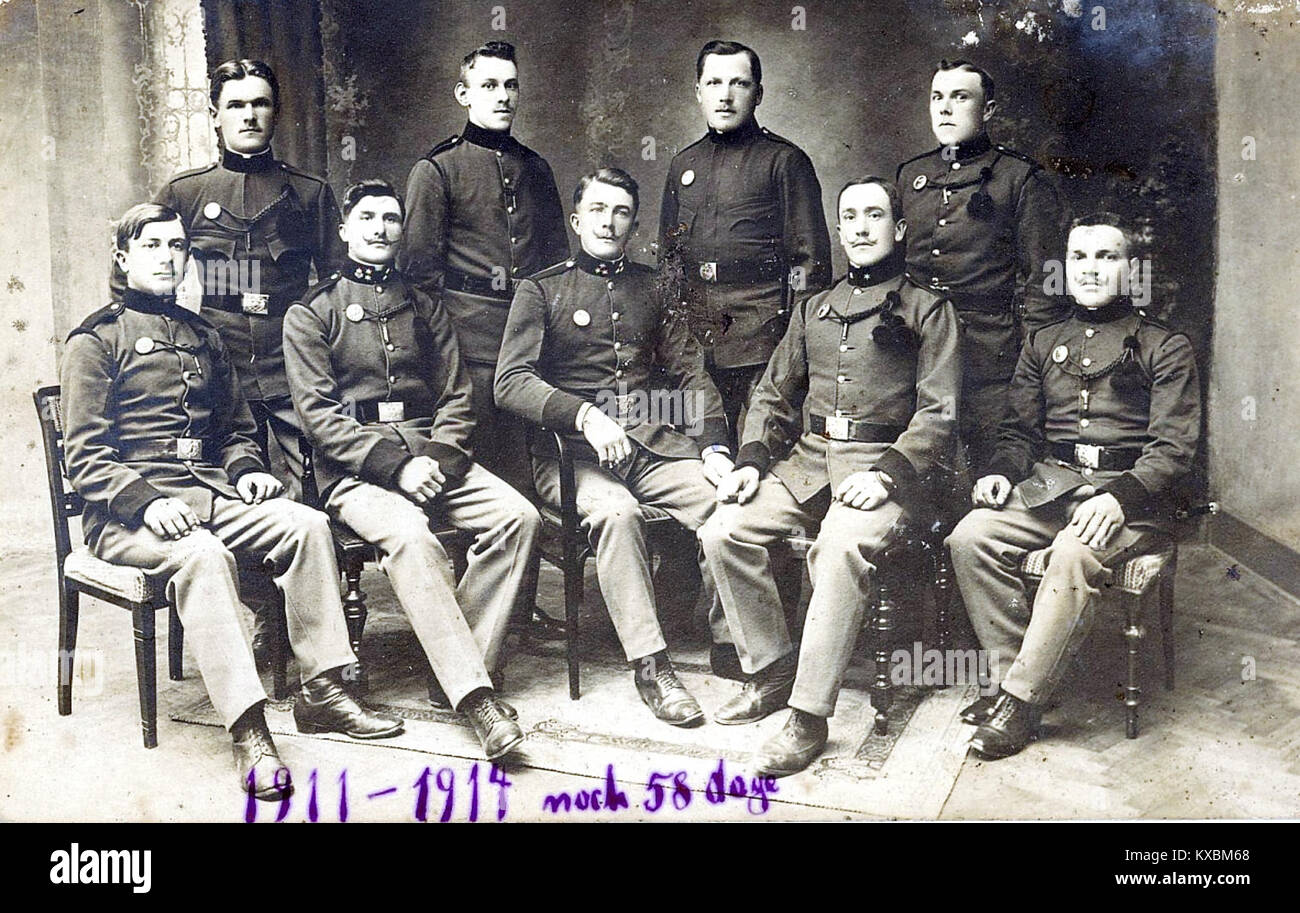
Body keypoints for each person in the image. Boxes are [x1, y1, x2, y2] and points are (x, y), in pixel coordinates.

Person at [64, 204, 402, 801]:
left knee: (305, 524)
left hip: (210, 493)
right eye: (152, 246)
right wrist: (144, 502)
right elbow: (86, 458)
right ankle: (249, 729)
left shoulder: (204, 338)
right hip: (124, 517)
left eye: (177, 246)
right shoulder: (96, 341)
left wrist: (246, 471)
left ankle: (323, 689)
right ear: (123, 258)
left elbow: (236, 431)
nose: (168, 257)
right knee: (202, 557)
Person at [699, 177, 960, 777]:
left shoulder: (929, 310)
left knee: (840, 545)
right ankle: (770, 670)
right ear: (838, 231)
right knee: (724, 528)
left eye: (876, 215)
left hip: (888, 468)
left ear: (898, 230)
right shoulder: (814, 308)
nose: (862, 227)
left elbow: (939, 411)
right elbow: (771, 394)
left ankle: (808, 715)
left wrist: (889, 475)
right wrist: (750, 464)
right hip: (811, 462)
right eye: (851, 217)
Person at [283, 180, 538, 762]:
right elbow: (318, 416)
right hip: (357, 471)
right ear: (345, 229)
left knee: (519, 518)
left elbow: (458, 395)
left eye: (391, 219)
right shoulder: (312, 311)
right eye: (367, 217)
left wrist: (439, 459)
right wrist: (396, 468)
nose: (380, 228)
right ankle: (476, 698)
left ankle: (449, 659)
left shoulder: (425, 305)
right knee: (412, 537)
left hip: (433, 456)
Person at [946, 212, 1202, 760]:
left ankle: (1019, 703)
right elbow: (1018, 430)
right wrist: (1000, 472)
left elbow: (1174, 449)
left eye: (1106, 257)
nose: (1089, 269)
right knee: (970, 537)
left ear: (1132, 270)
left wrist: (1120, 497)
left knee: (1071, 553)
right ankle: (1019, 672)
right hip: (1053, 487)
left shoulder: (1165, 346)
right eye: (1079, 257)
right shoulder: (1044, 341)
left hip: (1132, 498)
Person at [495, 168, 734, 727]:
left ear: (632, 223)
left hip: (651, 445)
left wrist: (715, 446)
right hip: (571, 457)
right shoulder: (541, 289)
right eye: (597, 210)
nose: (609, 222)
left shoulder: (653, 287)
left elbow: (689, 372)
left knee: (726, 502)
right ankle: (652, 666)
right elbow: (510, 381)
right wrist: (583, 413)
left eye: (621, 212)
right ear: (577, 221)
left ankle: (734, 645)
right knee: (619, 513)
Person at [659, 39, 833, 674]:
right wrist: (676, 346)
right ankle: (719, 626)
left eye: (739, 83)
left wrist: (790, 353)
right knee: (710, 483)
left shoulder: (785, 162)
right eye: (715, 83)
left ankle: (764, 638)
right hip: (697, 355)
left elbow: (810, 267)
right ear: (698, 91)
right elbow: (669, 274)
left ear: (757, 93)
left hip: (767, 347)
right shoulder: (681, 166)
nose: (726, 94)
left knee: (762, 489)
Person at [113, 59, 346, 498]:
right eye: (236, 104)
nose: (250, 115)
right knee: (233, 476)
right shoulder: (186, 191)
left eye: (261, 103)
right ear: (215, 115)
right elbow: (133, 276)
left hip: (291, 354)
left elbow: (336, 283)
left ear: (275, 113)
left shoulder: (309, 191)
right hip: (218, 353)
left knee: (320, 478)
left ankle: (321, 559)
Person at [400, 40, 568, 494]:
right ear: (464, 94)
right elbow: (418, 277)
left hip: (530, 343)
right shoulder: (437, 170)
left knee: (528, 473)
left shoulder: (536, 169)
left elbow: (558, 270)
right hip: (465, 344)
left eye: (510, 85)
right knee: (473, 476)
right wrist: (445, 351)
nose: (502, 96)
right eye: (489, 84)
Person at [896, 59, 1068, 478]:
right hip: (914, 345)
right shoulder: (911, 175)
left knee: (987, 468)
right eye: (938, 97)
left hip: (987, 350)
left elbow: (1044, 282)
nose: (946, 109)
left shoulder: (1019, 178)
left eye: (960, 97)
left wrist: (1032, 362)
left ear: (987, 110)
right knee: (912, 465)